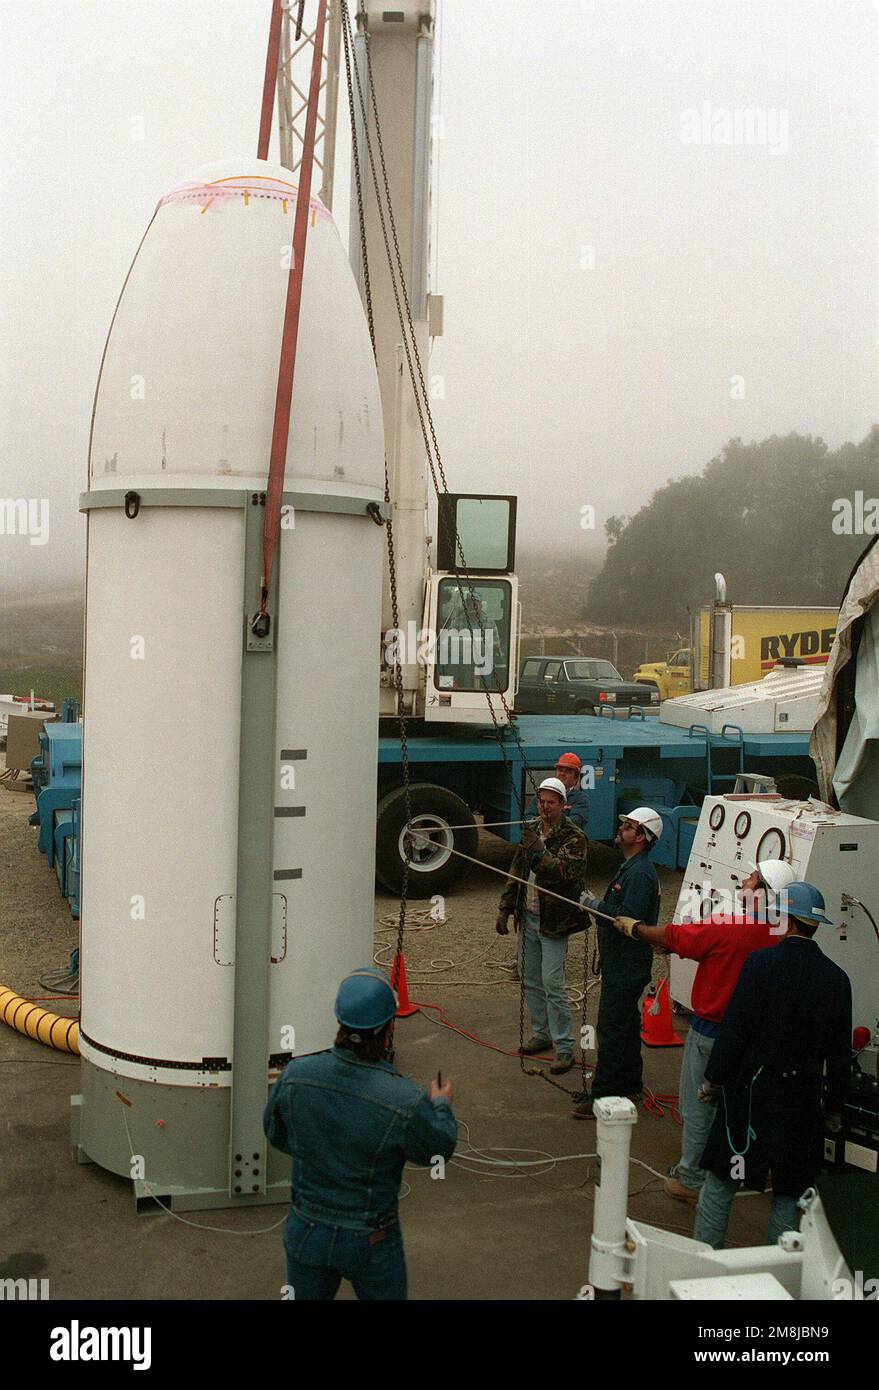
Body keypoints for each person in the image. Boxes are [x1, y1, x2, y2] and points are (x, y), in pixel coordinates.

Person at [605, 859, 797, 1203]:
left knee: (698, 1108)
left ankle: (690, 1179)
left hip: (711, 1033)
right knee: (743, 1108)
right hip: (757, 1041)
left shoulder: (726, 925)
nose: (745, 879)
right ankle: (743, 1167)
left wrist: (634, 929)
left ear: (763, 891)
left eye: (752, 877)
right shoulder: (782, 934)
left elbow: (675, 937)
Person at [263, 967, 457, 1300]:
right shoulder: (403, 1099)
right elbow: (437, 1148)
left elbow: (276, 1133)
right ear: (389, 1027)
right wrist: (439, 1105)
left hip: (307, 1228)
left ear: (340, 1021)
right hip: (370, 1239)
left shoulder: (296, 1076)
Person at [692, 882, 852, 1250]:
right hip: (801, 1102)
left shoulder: (761, 964)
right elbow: (839, 1055)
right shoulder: (836, 980)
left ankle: (703, 1262)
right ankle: (776, 1278)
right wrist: (834, 1109)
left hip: (751, 1096)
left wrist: (713, 1080)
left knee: (722, 1181)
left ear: (787, 921)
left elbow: (736, 1029)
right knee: (788, 1192)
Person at [572, 808, 663, 1118]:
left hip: (627, 965)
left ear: (640, 837)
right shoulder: (632, 867)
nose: (620, 829)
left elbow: (628, 919)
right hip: (623, 964)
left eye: (627, 826)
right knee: (625, 1025)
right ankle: (630, 1084)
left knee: (611, 1028)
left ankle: (604, 1097)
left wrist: (594, 906)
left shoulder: (639, 874)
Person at [495, 777, 588, 1074]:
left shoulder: (575, 838)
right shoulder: (532, 830)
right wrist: (506, 907)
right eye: (541, 802)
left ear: (563, 805)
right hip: (529, 915)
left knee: (553, 983)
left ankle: (564, 1047)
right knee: (529, 976)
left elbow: (562, 876)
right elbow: (517, 869)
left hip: (554, 921)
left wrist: (540, 852)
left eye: (551, 803)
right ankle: (541, 1033)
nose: (544, 807)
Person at [524, 752, 589, 834]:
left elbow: (577, 821)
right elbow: (528, 817)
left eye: (568, 771)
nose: (562, 774)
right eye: (560, 770)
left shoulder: (580, 799)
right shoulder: (542, 794)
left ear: (576, 778)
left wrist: (549, 821)